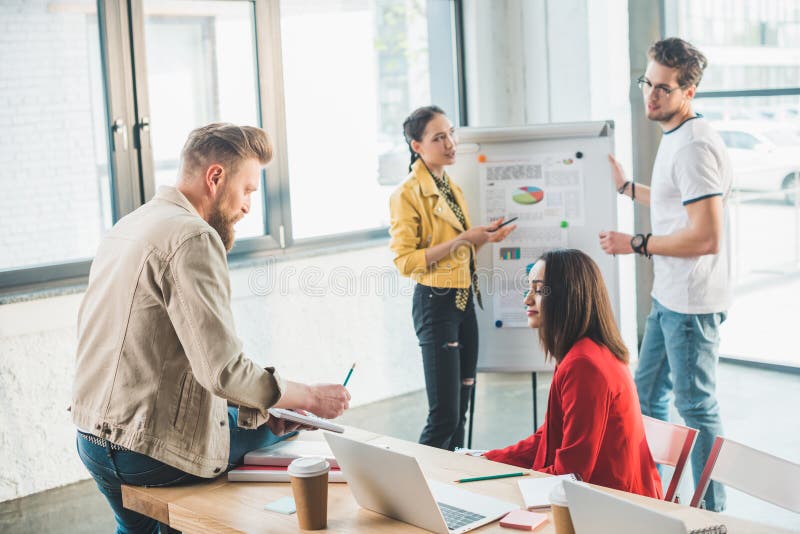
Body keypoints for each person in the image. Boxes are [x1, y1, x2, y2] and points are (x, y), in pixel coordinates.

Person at [71, 123, 351, 533]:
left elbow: (167, 361)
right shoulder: (192, 237)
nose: (248, 207)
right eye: (248, 191)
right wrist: (308, 397)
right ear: (215, 177)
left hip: (93, 440)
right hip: (147, 452)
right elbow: (223, 370)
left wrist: (258, 410)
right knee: (287, 444)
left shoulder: (130, 225)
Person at [598, 38, 731, 511]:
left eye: (663, 89)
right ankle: (654, 498)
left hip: (691, 304)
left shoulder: (694, 146)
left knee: (696, 408)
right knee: (648, 396)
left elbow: (706, 236)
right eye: (646, 84)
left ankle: (712, 514)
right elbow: (678, 202)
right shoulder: (677, 137)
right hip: (670, 296)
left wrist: (634, 244)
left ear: (688, 92)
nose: (650, 96)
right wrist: (629, 189)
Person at [483, 249, 663, 499]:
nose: (527, 300)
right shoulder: (582, 352)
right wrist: (485, 460)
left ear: (567, 296)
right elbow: (546, 440)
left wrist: (508, 487)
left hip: (617, 512)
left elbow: (571, 475)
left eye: (538, 290)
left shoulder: (584, 365)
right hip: (604, 501)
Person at [389, 105, 515, 451]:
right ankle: (412, 490)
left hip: (462, 302)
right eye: (438, 137)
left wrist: (483, 238)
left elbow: (455, 249)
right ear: (417, 146)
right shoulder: (407, 194)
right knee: (444, 415)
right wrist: (464, 240)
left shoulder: (449, 185)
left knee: (462, 409)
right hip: (436, 303)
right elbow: (405, 260)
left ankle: (452, 487)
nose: (450, 143)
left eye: (451, 133)